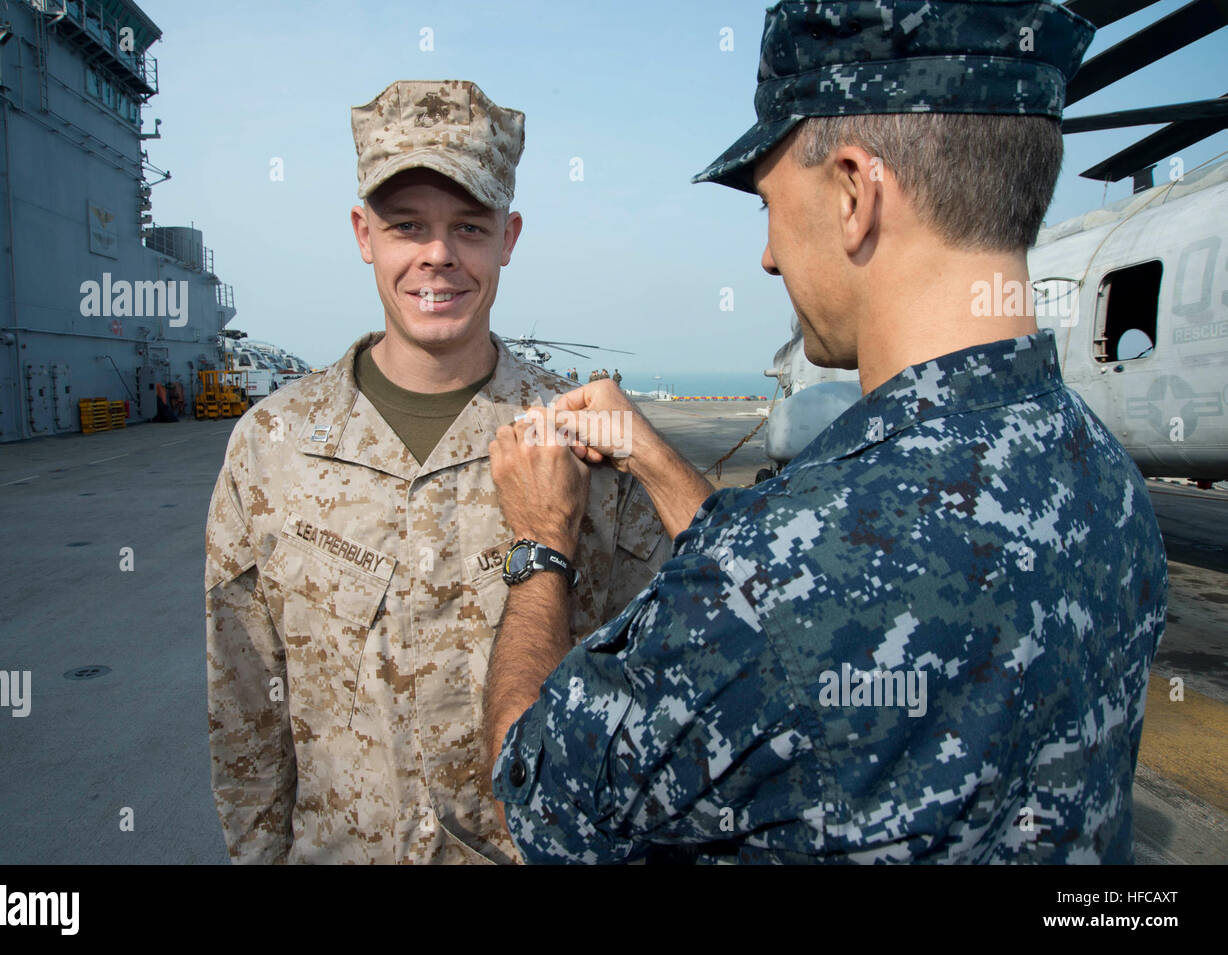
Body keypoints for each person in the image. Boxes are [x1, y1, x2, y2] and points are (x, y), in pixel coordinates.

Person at [483, 1, 1167, 863]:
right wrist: (656, 460)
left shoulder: (774, 581)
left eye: (770, 201)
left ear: (853, 191)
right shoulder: (1106, 482)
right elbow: (811, 585)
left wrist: (541, 542)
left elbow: (531, 790)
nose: (768, 256)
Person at [204, 80, 667, 864]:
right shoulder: (272, 447)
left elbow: (653, 695)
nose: (438, 255)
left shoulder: (588, 444)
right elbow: (244, 708)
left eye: (469, 226)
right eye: (406, 225)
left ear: (509, 237)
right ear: (363, 233)